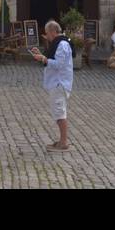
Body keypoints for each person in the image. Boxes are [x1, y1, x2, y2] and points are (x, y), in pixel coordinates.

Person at [32, 20, 73, 151]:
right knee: (58, 112)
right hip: (57, 82)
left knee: (59, 112)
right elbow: (53, 59)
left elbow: (59, 64)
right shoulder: (58, 43)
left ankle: (63, 142)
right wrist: (41, 55)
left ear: (53, 31)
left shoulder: (62, 44)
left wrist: (43, 59)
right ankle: (62, 140)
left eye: (48, 33)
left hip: (59, 83)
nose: (47, 36)